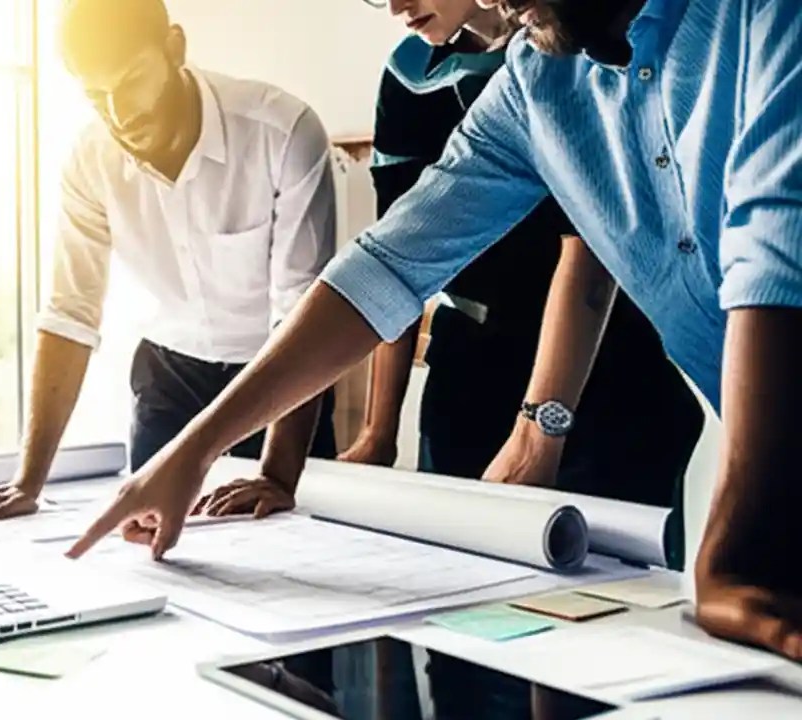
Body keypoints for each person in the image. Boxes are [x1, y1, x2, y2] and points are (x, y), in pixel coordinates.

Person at [70, 0, 802, 661]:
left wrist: (733, 551)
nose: (486, 0)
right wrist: (193, 451)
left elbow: (775, 256)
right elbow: (384, 269)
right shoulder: (533, 83)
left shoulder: (764, 17)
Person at [200, 0, 702, 538]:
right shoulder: (433, 76)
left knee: (609, 592)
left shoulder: (570, 51)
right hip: (469, 366)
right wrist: (376, 431)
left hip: (601, 371)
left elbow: (586, 256)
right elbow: (392, 261)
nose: (396, 6)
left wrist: (537, 433)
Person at [0, 0, 337, 524]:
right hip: (167, 380)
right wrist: (26, 481)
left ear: (174, 48)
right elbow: (69, 316)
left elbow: (302, 317)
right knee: (153, 546)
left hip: (277, 378)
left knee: (294, 545)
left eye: (130, 82)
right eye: (98, 96)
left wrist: (278, 475)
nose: (120, 114)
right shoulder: (90, 160)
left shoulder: (281, 132)